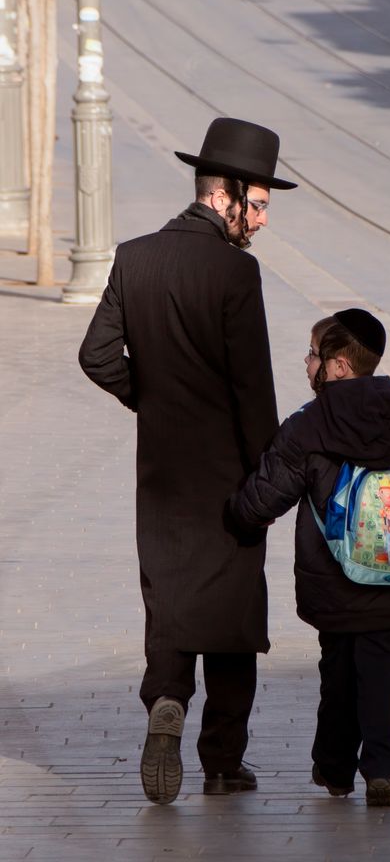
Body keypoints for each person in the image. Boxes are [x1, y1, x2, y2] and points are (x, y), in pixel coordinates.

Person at [78, 117, 296, 806]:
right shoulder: (236, 272)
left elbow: (95, 355)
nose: (260, 221)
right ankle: (223, 763)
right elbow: (252, 387)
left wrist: (151, 398)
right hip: (230, 477)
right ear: (226, 194)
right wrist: (272, 472)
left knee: (169, 605)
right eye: (256, 205)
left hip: (163, 480)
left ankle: (167, 700)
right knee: (231, 619)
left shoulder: (135, 257)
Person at [227, 309, 390, 807]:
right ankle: (381, 769)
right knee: (380, 666)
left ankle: (334, 769)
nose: (306, 362)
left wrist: (236, 515)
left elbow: (265, 496)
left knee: (339, 668)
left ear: (338, 367)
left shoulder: (309, 426)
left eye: (313, 353)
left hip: (331, 576)